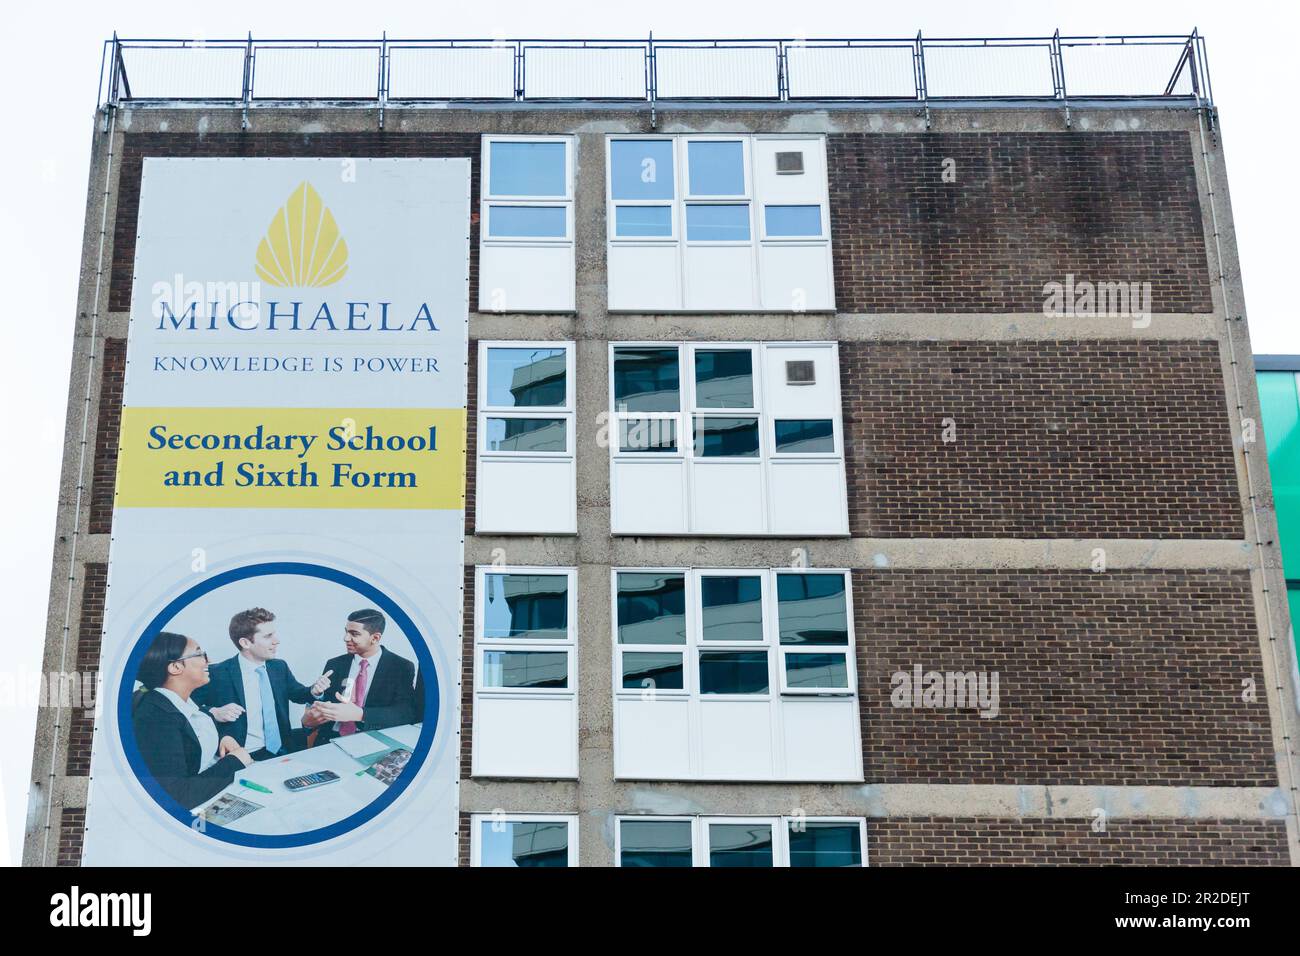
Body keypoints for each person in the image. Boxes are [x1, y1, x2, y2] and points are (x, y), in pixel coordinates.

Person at [133, 631, 253, 810]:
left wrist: (222, 738)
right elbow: (176, 796)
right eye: (199, 654)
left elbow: (190, 728)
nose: (209, 660)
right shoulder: (155, 720)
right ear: (175, 667)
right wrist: (234, 762)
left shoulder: (175, 702)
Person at [193, 607, 333, 759]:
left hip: (284, 752)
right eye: (268, 636)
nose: (277, 641)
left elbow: (298, 694)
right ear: (246, 642)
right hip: (242, 756)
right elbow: (189, 710)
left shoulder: (279, 667)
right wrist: (214, 711)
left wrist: (314, 691)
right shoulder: (216, 673)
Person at [303, 609, 419, 743]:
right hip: (330, 739)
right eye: (346, 631)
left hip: (373, 740)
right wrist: (318, 695)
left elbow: (405, 713)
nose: (345, 638)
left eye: (354, 634)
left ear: (375, 638)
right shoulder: (334, 664)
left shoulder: (400, 667)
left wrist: (361, 714)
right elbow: (324, 705)